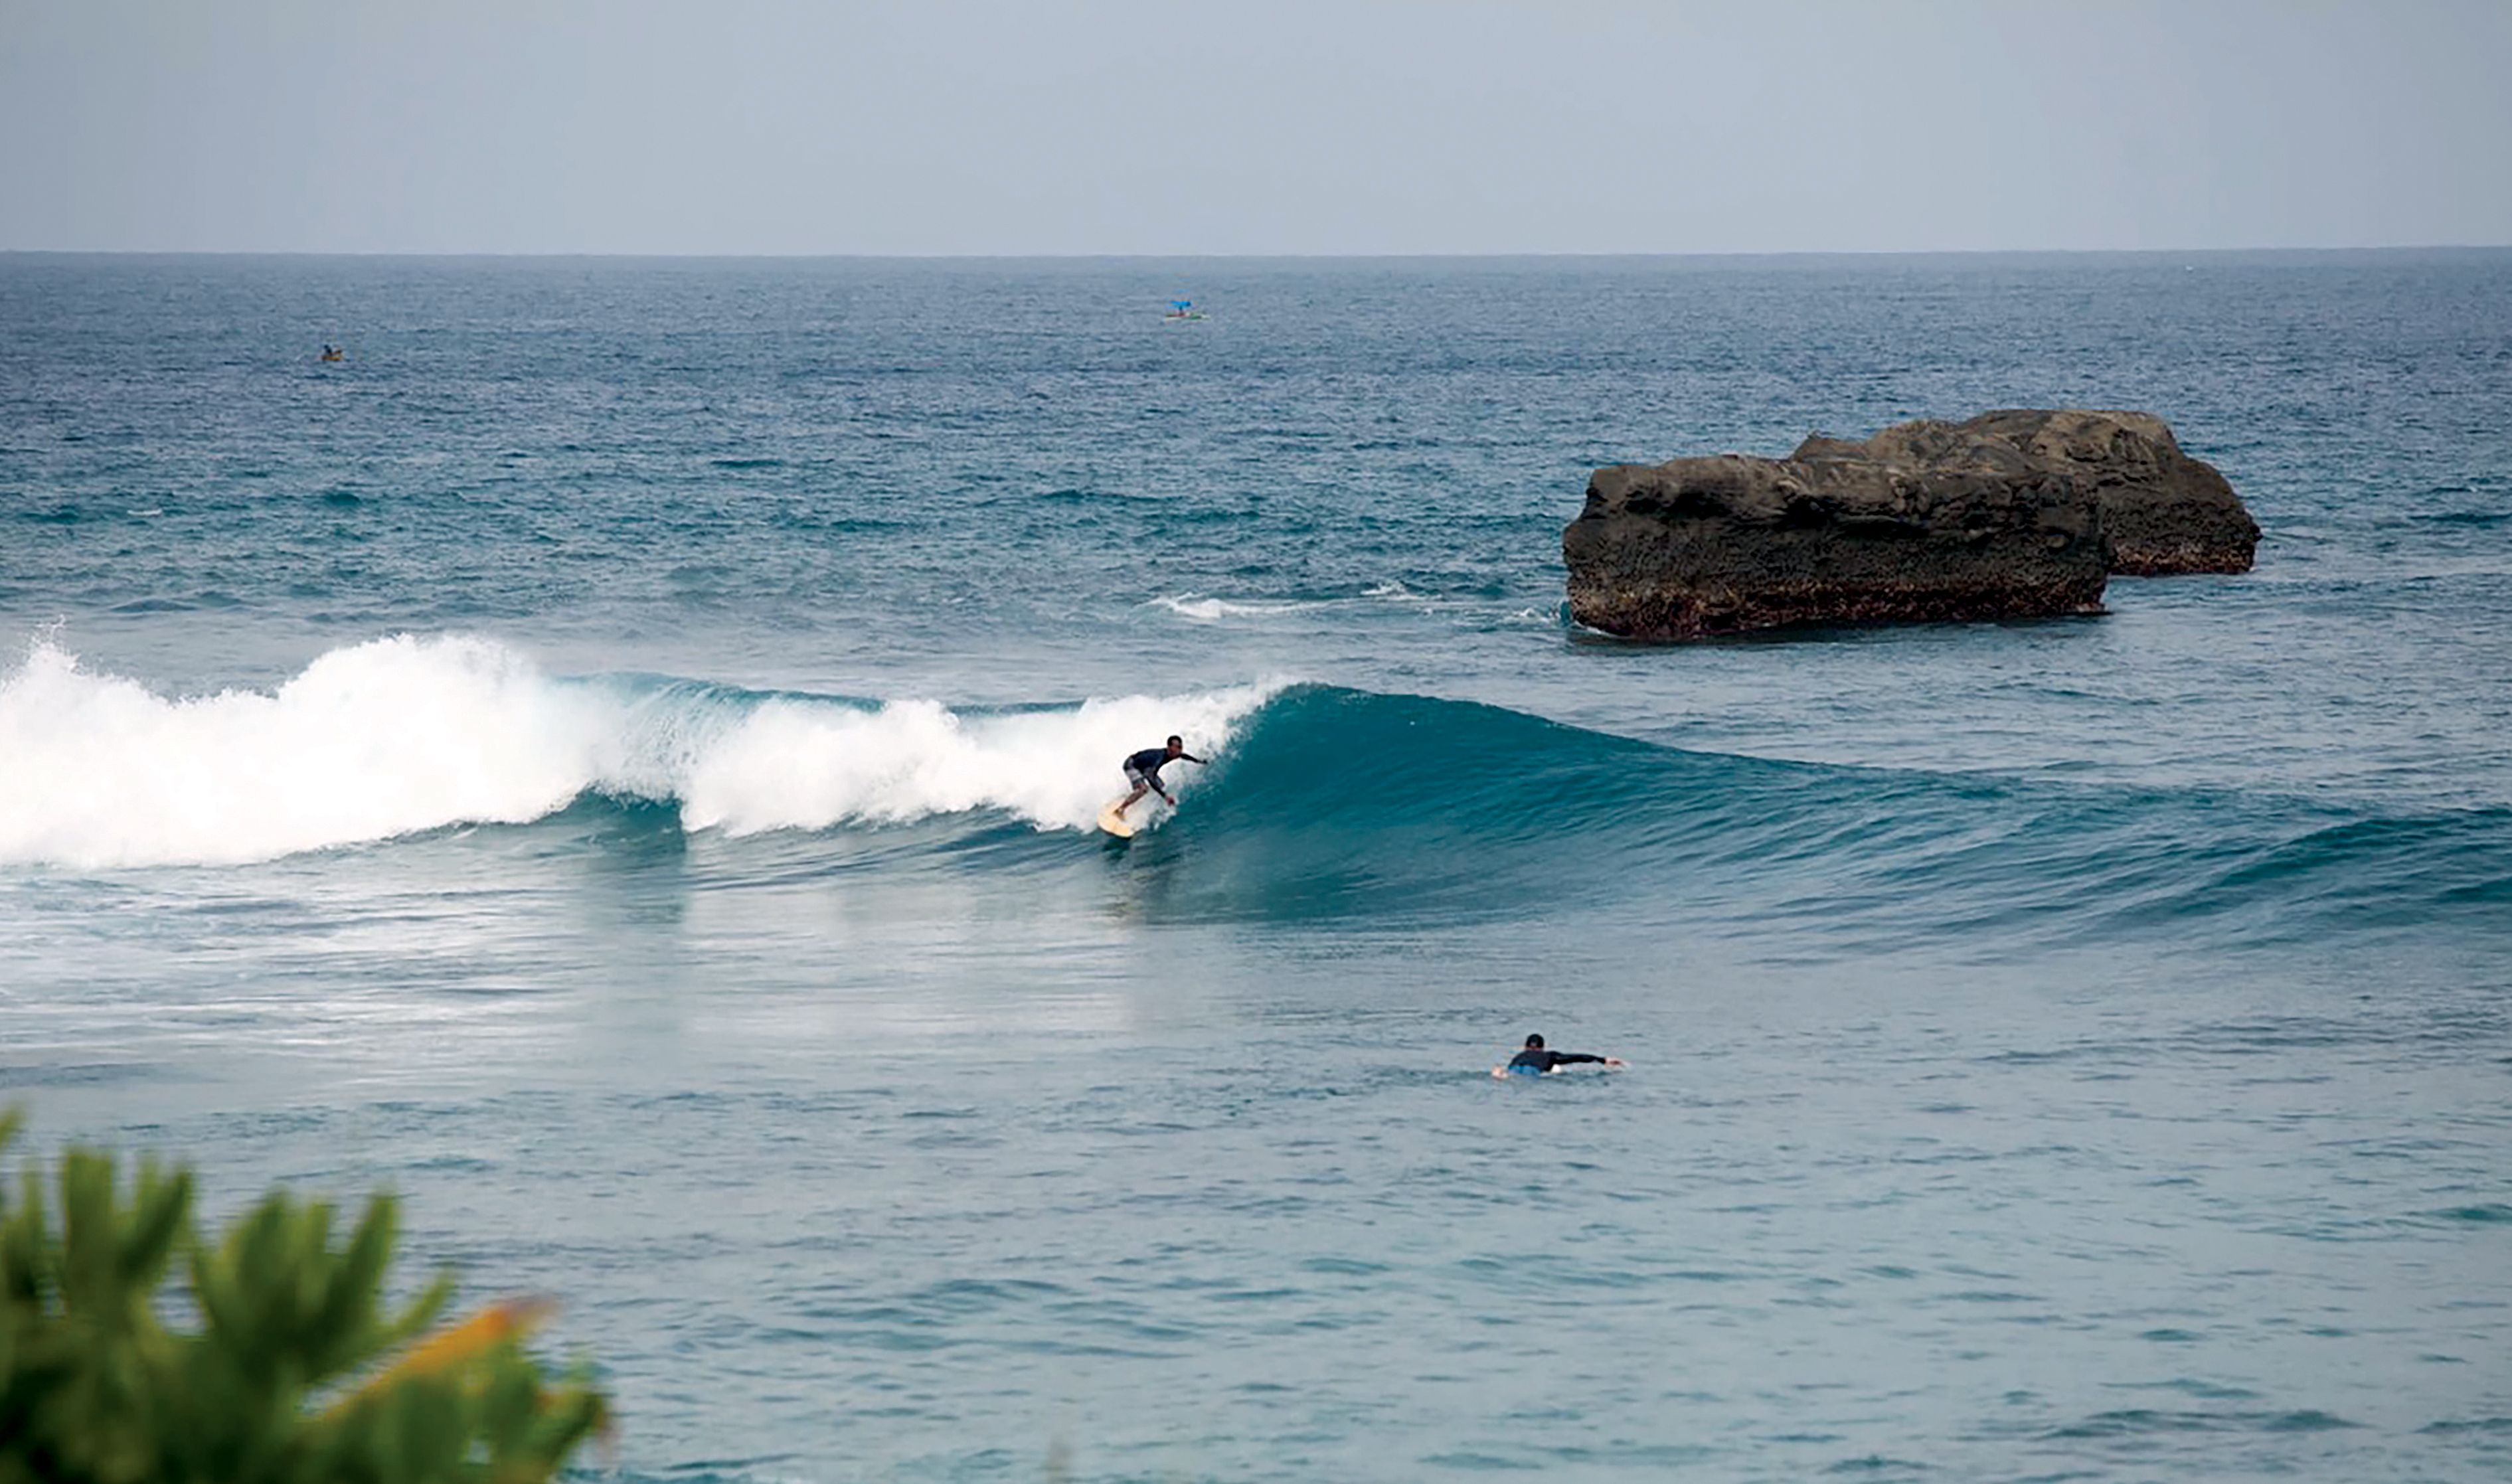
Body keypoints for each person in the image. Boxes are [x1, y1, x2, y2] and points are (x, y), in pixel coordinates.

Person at [1115, 734, 1203, 819]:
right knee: (1144, 789)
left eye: (1180, 747)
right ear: (1169, 747)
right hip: (1132, 765)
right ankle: (1120, 809)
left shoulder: (1174, 754)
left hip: (1144, 766)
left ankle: (1134, 796)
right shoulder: (1159, 758)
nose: (1179, 750)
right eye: (1177, 748)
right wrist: (1165, 796)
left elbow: (1184, 756)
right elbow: (1149, 777)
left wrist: (1198, 761)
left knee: (1161, 786)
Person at [1493, 1033, 1625, 1078]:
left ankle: (1501, 1074)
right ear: (1543, 1047)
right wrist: (1603, 1060)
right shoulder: (1550, 1056)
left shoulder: (1520, 1055)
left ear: (1525, 1046)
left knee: (1511, 1075)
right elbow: (1577, 1057)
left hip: (1513, 1068)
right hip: (1532, 1071)